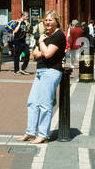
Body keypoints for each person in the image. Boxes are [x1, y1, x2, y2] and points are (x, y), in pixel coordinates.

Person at [20, 11, 65, 145]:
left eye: (50, 20)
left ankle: (43, 134)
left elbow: (47, 54)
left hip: (51, 71)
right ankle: (30, 132)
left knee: (45, 105)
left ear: (57, 21)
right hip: (40, 71)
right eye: (46, 20)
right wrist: (42, 49)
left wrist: (41, 43)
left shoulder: (59, 35)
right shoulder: (46, 36)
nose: (47, 22)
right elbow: (35, 53)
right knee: (32, 102)